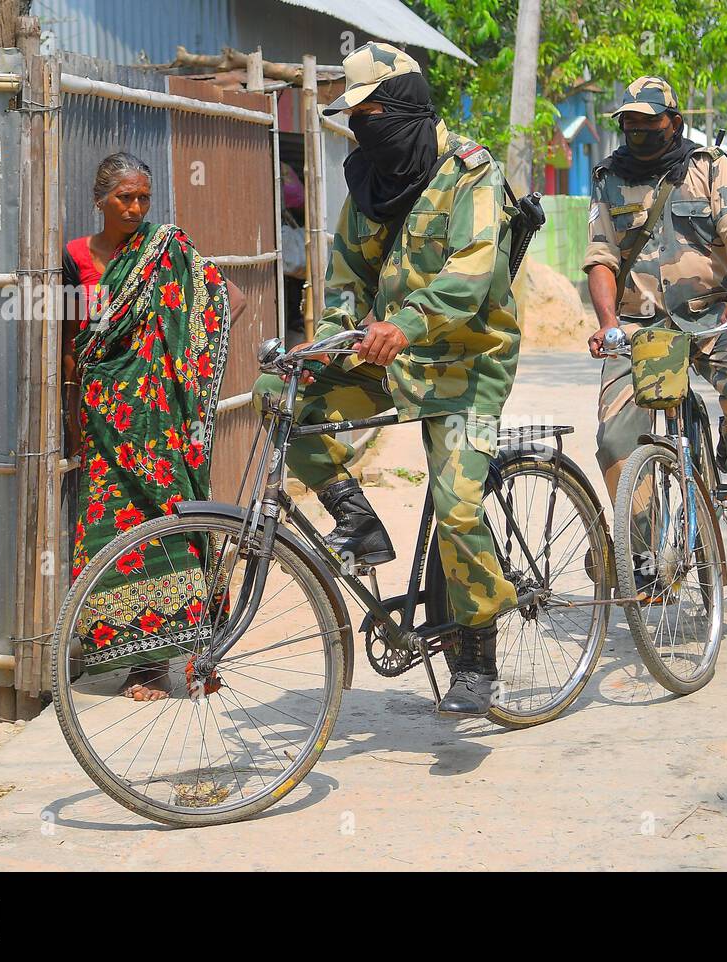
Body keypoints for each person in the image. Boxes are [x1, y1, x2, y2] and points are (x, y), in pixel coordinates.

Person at [252, 42, 520, 717]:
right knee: (279, 398)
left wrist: (408, 321)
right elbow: (346, 276)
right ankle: (358, 520)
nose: (362, 130)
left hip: (467, 361)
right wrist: (329, 337)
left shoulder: (469, 172)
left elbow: (473, 269)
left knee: (458, 507)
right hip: (390, 355)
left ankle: (478, 651)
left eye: (370, 114)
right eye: (355, 119)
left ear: (403, 106)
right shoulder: (369, 177)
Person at [63, 152, 245, 700]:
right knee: (115, 537)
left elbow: (228, 300)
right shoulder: (74, 258)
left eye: (144, 197)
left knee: (177, 529)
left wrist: (175, 361)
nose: (137, 208)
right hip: (104, 425)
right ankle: (141, 667)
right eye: (125, 198)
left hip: (162, 426)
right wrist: (73, 412)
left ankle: (195, 656)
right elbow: (71, 343)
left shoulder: (165, 250)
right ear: (100, 200)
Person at [583, 77, 727, 600]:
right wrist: (607, 324)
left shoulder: (710, 167)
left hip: (711, 316)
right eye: (630, 123)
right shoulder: (609, 180)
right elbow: (601, 258)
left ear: (675, 122)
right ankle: (641, 554)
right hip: (641, 330)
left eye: (650, 122)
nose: (639, 131)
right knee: (616, 441)